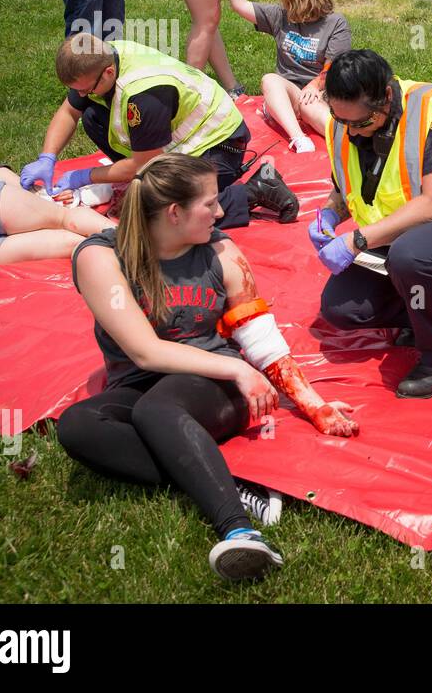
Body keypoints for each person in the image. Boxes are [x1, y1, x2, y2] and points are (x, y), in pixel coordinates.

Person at [57, 154, 357, 582]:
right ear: (174, 213)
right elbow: (143, 352)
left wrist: (315, 407)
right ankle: (227, 482)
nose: (220, 212)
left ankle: (240, 530)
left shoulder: (221, 251)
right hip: (146, 381)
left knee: (157, 411)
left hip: (213, 386)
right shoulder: (101, 257)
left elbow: (262, 340)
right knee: (79, 425)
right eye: (210, 203)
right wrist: (237, 369)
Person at [310, 50, 432, 399]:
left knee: (412, 256)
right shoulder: (343, 120)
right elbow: (349, 185)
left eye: (359, 123)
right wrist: (329, 212)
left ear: (386, 98)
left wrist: (357, 239)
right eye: (339, 119)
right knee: (342, 310)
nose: (349, 131)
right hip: (396, 232)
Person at [20, 33, 298, 228]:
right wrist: (48, 157)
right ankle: (148, 182)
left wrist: (86, 176)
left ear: (106, 74)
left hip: (217, 148)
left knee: (159, 218)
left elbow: (143, 163)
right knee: (93, 116)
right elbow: (69, 111)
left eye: (85, 89)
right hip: (177, 140)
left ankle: (256, 189)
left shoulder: (144, 94)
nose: (81, 94)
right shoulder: (103, 57)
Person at [223, 0, 351, 152]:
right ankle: (299, 138)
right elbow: (239, 4)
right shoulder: (280, 16)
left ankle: (353, 143)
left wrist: (315, 85)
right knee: (269, 80)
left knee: (310, 108)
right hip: (288, 92)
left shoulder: (335, 23)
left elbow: (335, 64)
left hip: (320, 94)